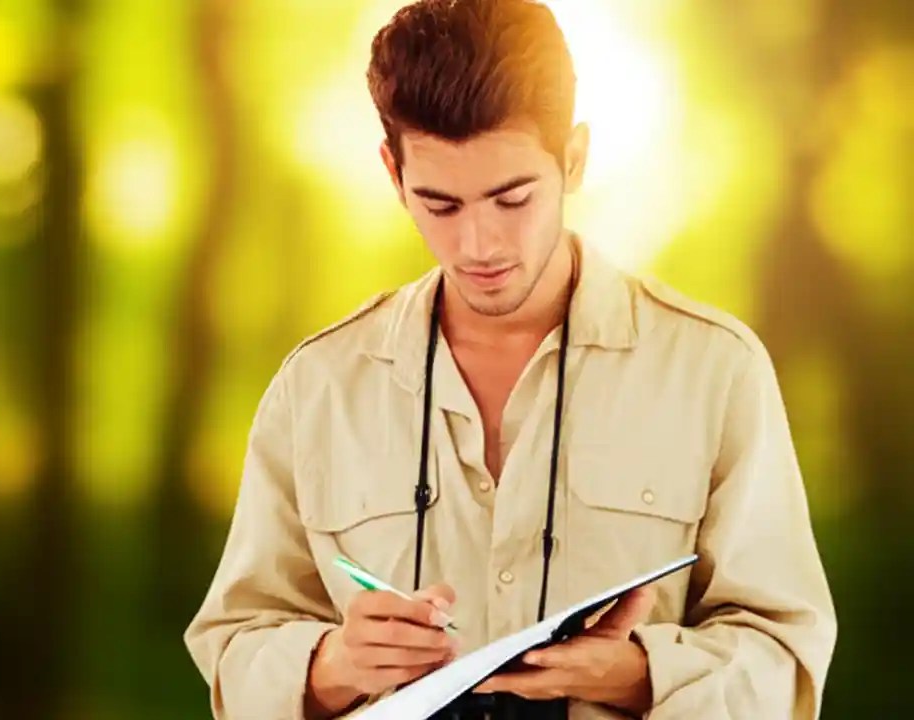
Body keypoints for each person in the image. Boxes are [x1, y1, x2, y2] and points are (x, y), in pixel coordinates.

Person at [183, 0, 836, 718]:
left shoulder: (716, 371)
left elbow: (785, 657)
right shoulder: (318, 386)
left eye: (512, 198)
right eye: (440, 205)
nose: (479, 246)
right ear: (392, 174)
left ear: (574, 159)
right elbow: (236, 644)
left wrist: (637, 673)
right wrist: (332, 665)